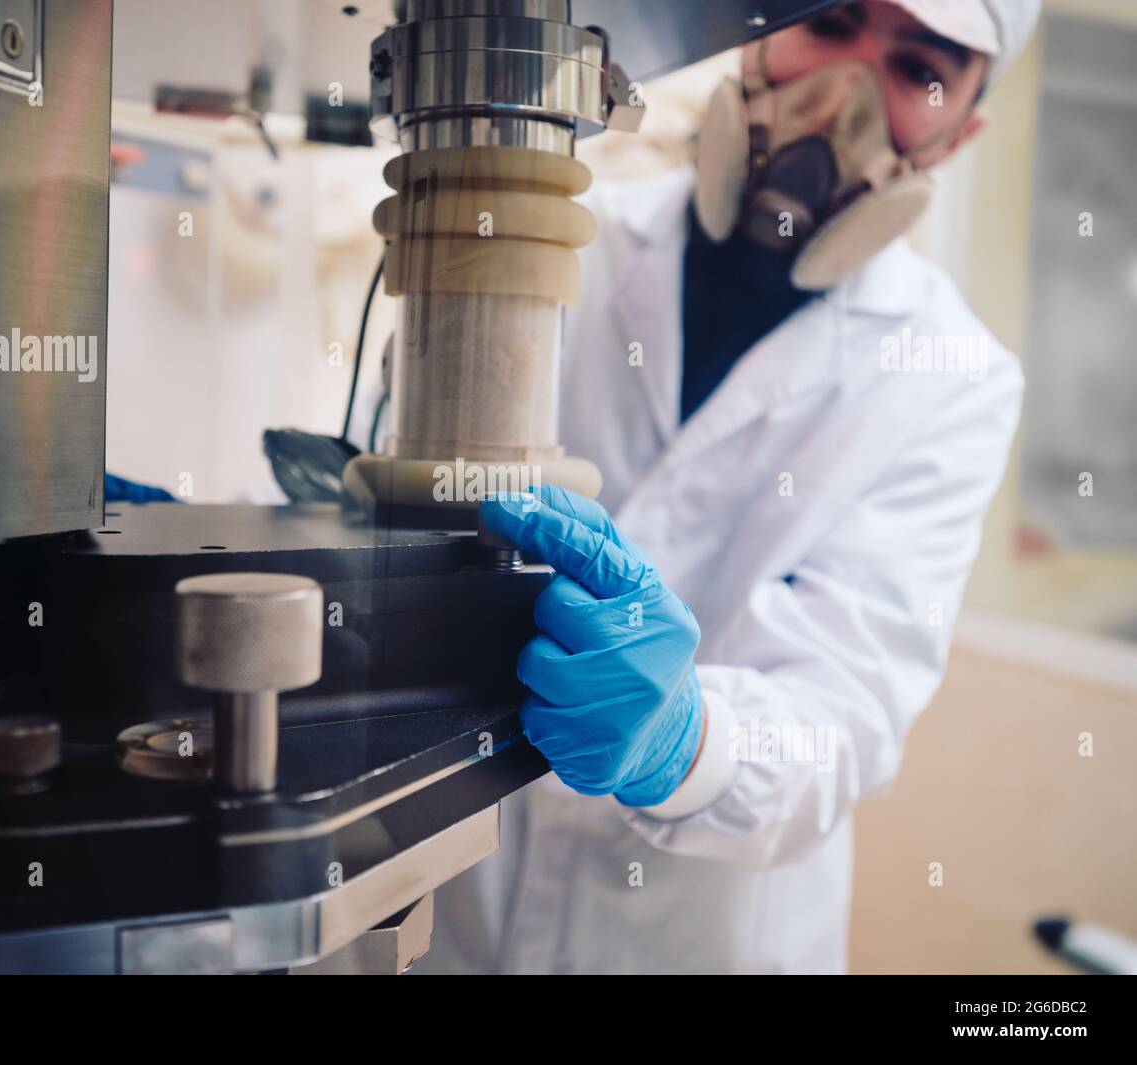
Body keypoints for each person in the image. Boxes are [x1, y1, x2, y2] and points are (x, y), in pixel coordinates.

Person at [414, 0, 1042, 974]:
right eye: (826, 21)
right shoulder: (562, 240)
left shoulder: (953, 376)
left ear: (962, 132)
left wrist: (687, 742)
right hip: (459, 915)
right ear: (751, 35)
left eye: (918, 67)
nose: (843, 96)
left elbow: (844, 713)